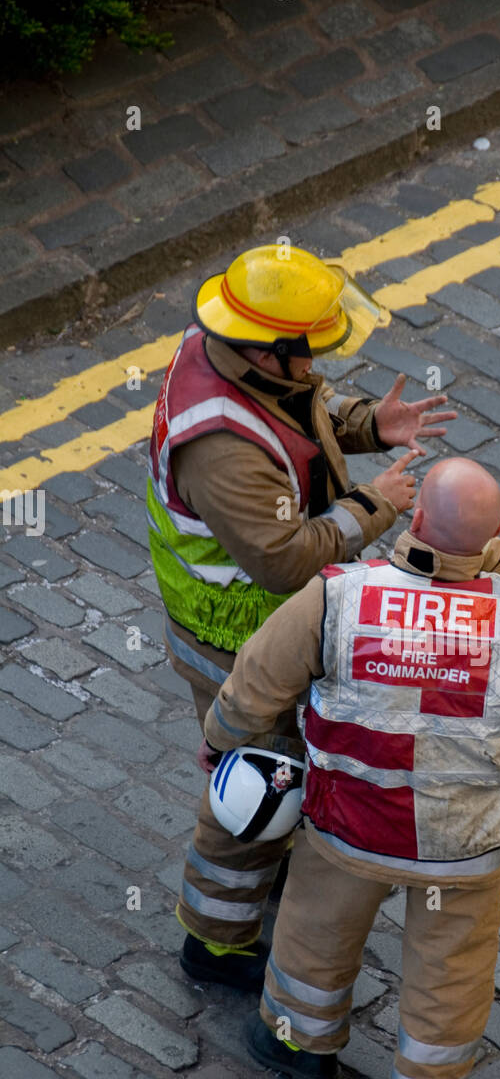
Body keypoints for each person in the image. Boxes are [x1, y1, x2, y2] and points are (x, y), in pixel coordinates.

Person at [199, 458, 500, 1079]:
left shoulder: (337, 597)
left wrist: (221, 741)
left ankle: (300, 1046)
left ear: (418, 521)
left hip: (350, 827)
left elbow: (257, 679)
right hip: (466, 846)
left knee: (315, 933)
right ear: (494, 536)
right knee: (452, 968)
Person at [146, 244, 455, 991]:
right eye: (310, 351)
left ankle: (263, 881)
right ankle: (215, 939)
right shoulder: (220, 446)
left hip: (271, 627)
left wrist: (366, 423)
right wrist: (376, 503)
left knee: (283, 772)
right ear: (269, 350)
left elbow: (303, 417)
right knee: (255, 785)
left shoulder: (233, 353)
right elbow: (284, 558)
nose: (319, 362)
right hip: (238, 641)